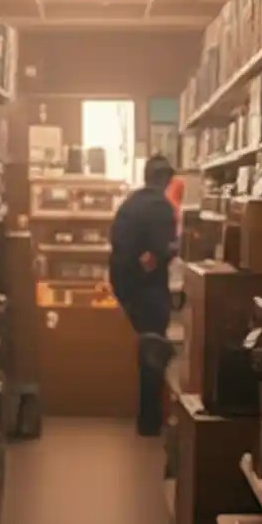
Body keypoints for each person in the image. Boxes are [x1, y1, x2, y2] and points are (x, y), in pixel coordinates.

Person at [110, 155, 178, 436]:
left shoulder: (130, 203)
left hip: (124, 286)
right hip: (147, 289)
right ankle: (149, 421)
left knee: (145, 347)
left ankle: (144, 416)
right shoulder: (160, 206)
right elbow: (161, 251)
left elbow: (117, 242)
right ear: (165, 180)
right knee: (153, 352)